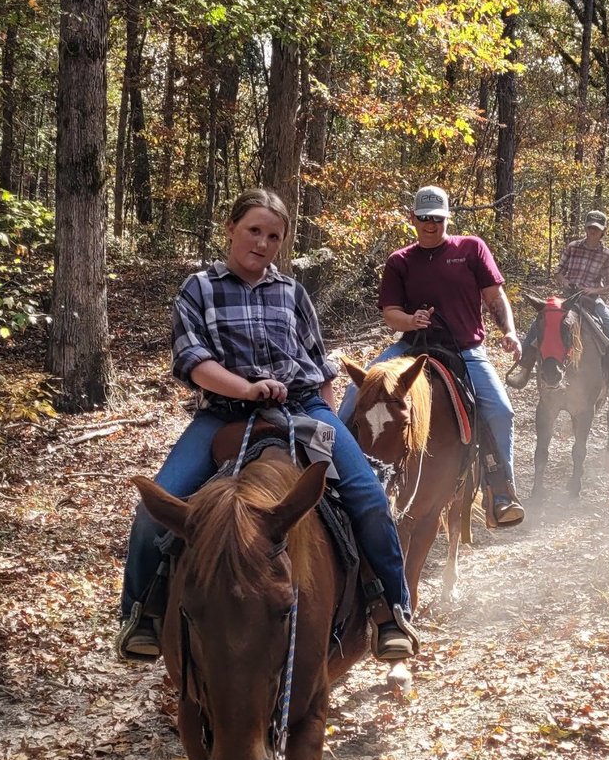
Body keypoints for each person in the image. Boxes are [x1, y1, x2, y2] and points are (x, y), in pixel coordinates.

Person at [117, 188, 416, 665]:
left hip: (302, 407)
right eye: (253, 231)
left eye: (273, 237)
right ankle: (142, 613)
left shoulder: (292, 292)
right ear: (231, 229)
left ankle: (390, 611)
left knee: (369, 497)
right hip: (224, 413)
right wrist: (247, 389)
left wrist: (327, 424)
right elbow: (194, 362)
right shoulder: (199, 288)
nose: (262, 243)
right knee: (157, 507)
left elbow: (318, 366)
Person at [341, 185, 526, 527]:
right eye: (424, 218)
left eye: (437, 218)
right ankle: (340, 477)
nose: (431, 224)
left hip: (465, 349)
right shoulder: (400, 261)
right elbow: (391, 313)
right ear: (412, 218)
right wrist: (410, 320)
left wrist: (509, 332)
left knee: (500, 410)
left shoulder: (471, 249)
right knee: (357, 392)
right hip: (412, 346)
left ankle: (501, 492)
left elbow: (495, 297)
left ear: (447, 219)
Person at [508, 208, 609, 390]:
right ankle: (525, 368)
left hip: (591, 300)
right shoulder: (573, 246)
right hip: (566, 298)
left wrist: (593, 289)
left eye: (596, 228)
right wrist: (565, 282)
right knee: (539, 322)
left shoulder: (607, 255)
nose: (592, 231)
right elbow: (558, 272)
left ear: (603, 231)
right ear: (585, 228)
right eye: (590, 227)